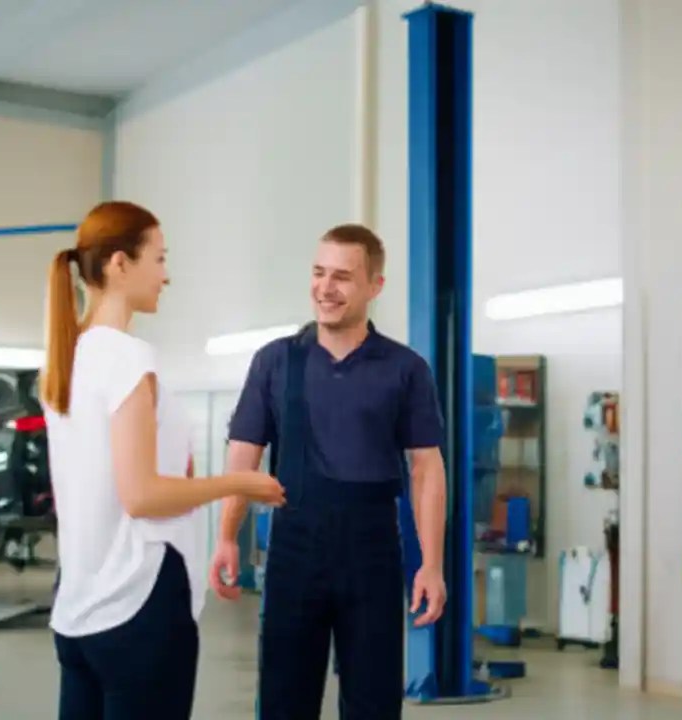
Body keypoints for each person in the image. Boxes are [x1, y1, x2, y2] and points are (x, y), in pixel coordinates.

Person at [39, 201, 285, 720]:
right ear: (118, 264)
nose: (166, 275)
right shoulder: (127, 357)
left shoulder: (66, 358)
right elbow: (143, 495)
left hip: (79, 609)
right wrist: (239, 481)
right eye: (159, 258)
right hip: (137, 602)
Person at [210, 223, 448, 720]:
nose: (326, 287)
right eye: (319, 273)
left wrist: (431, 562)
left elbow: (426, 467)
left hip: (373, 552)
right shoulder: (276, 363)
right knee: (283, 701)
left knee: (374, 702)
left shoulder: (405, 369)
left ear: (373, 287)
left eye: (342, 276)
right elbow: (243, 457)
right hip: (294, 548)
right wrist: (227, 535)